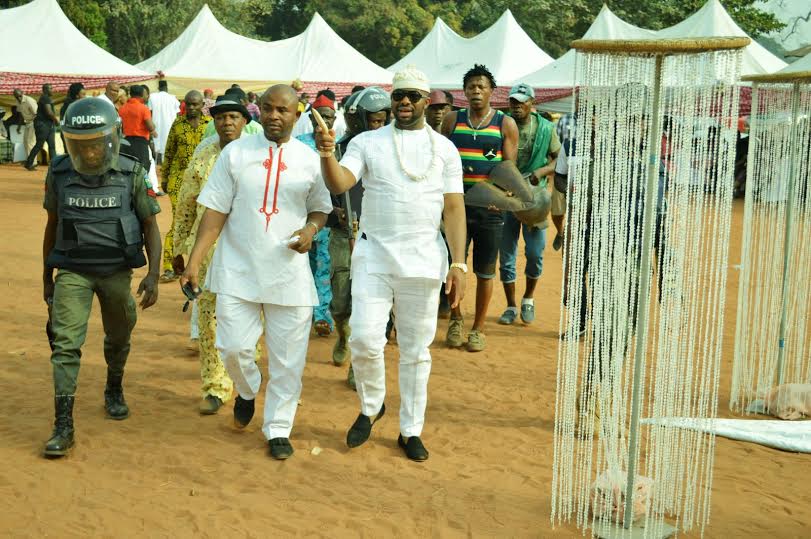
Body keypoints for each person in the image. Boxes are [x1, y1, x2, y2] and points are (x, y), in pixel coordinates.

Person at [316, 66, 467, 461]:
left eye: (413, 96)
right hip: (375, 254)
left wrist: (460, 263)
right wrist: (327, 153)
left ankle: (410, 429)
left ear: (426, 100)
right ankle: (372, 405)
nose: (404, 102)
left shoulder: (445, 149)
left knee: (416, 350)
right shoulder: (367, 142)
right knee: (366, 339)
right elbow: (339, 184)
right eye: (398, 95)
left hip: (424, 259)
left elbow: (453, 208)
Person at [180, 85, 332, 460]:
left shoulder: (310, 159)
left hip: (288, 273)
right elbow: (214, 212)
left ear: (297, 116)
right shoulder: (234, 154)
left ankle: (278, 427)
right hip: (237, 269)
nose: (274, 116)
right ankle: (247, 390)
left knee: (288, 359)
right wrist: (195, 260)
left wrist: (310, 231)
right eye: (268, 108)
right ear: (258, 111)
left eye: (283, 110)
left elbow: (320, 208)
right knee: (232, 348)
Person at [41, 97, 161, 458]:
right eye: (81, 145)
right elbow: (52, 226)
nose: (90, 153)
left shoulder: (131, 171)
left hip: (116, 273)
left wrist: (154, 275)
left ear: (111, 138)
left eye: (96, 143)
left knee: (119, 336)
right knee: (65, 345)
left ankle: (114, 386)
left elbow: (150, 226)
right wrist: (47, 277)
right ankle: (64, 425)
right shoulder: (60, 173)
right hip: (73, 272)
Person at [173, 95, 249, 414]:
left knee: (245, 319)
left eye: (233, 117)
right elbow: (186, 203)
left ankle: (245, 380)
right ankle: (216, 386)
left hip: (248, 251)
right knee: (208, 319)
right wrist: (179, 250)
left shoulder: (257, 153)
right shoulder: (204, 155)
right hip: (207, 251)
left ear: (245, 121)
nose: (227, 123)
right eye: (220, 117)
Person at [440, 64, 518, 352]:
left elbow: (509, 169)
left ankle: (478, 329)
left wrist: (500, 197)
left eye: (481, 86)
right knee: (454, 264)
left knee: (485, 270)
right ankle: (456, 320)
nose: (476, 91)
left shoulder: (504, 123)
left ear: (491, 92)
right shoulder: (451, 120)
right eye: (471, 86)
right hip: (455, 206)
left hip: (489, 210)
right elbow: (440, 160)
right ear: (464, 91)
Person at [326, 87, 391, 389]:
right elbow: (320, 197)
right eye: (373, 121)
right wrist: (334, 212)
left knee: (369, 304)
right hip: (343, 234)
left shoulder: (392, 151)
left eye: (382, 121)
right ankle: (342, 331)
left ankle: (357, 363)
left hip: (379, 237)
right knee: (341, 301)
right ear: (357, 120)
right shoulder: (337, 152)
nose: (378, 127)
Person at [497, 83, 560, 326]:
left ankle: (528, 299)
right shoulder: (502, 123)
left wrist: (541, 170)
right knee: (507, 254)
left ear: (531, 103)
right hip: (507, 196)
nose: (516, 105)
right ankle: (511, 305)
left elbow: (558, 161)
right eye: (513, 101)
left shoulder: (546, 128)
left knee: (534, 254)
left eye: (521, 101)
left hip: (536, 200)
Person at [296, 93, 338, 337]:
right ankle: (299, 316)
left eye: (330, 117)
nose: (325, 121)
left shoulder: (339, 145)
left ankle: (322, 316)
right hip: (298, 214)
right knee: (298, 266)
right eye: (321, 116)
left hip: (326, 218)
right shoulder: (298, 143)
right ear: (313, 118)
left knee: (322, 266)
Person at [159, 90, 210, 283]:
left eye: (195, 104)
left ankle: (199, 265)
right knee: (177, 222)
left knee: (202, 223)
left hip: (203, 182)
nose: (191, 108)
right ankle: (170, 266)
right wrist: (165, 178)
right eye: (188, 104)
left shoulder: (209, 125)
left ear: (202, 104)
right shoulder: (177, 124)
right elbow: (169, 152)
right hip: (178, 181)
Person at [118, 85, 158, 170]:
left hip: (125, 142)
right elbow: (150, 127)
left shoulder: (122, 108)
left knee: (127, 169)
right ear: (141, 95)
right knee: (142, 170)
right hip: (140, 144)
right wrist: (154, 126)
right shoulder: (143, 108)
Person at [25, 84, 60, 171]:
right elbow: (49, 112)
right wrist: (56, 120)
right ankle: (28, 163)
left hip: (48, 125)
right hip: (43, 125)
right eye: (50, 88)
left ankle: (54, 166)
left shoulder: (47, 98)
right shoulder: (45, 98)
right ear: (45, 90)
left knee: (52, 146)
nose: (52, 90)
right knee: (39, 145)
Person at [148, 80, 180, 163]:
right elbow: (178, 113)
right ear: (167, 88)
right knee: (168, 146)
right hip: (170, 125)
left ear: (158, 88)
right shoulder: (173, 97)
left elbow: (149, 112)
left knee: (157, 146)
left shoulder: (152, 97)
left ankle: (156, 165)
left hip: (156, 126)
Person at [59, 83, 86, 149]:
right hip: (72, 136)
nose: (85, 97)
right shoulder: (73, 107)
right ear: (77, 96)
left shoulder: (69, 104)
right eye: (83, 94)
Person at [13, 88, 38, 157]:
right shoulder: (17, 102)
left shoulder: (29, 100)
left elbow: (36, 114)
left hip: (34, 122)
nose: (19, 98)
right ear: (14, 96)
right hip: (27, 123)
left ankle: (32, 162)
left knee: (30, 142)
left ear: (22, 93)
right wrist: (19, 126)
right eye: (17, 97)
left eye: (20, 96)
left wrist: (36, 126)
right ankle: (29, 160)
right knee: (25, 142)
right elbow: (21, 115)